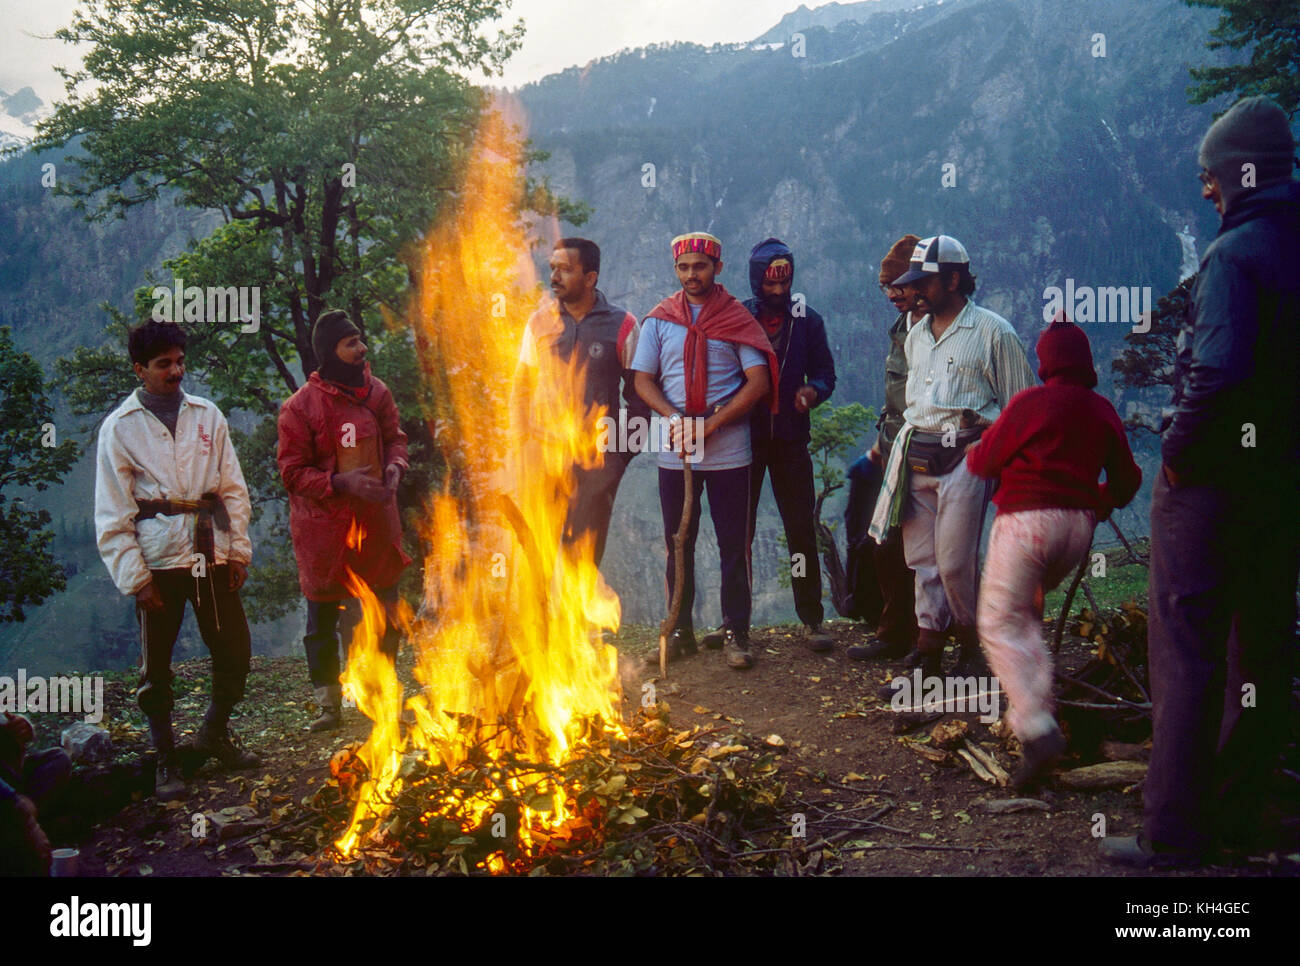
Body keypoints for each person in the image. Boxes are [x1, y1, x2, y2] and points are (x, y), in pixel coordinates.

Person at [1101, 97, 1300, 866]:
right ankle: (1242, 818)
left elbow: (1215, 374)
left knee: (1187, 652)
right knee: (1263, 650)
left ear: (1238, 172)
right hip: (1281, 486)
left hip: (1214, 485)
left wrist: (1176, 456)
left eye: (1209, 176)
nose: (1206, 190)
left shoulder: (1236, 253)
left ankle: (1175, 838)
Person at [967, 315, 1142, 787]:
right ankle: (1032, 716)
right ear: (1086, 363)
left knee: (1001, 621)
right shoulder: (1100, 409)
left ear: (1044, 363)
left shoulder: (1031, 403)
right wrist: (1097, 502)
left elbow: (984, 462)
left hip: (1026, 522)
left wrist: (976, 444)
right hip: (1077, 529)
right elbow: (1127, 481)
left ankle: (1038, 730)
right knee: (1027, 620)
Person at [95, 319, 259, 800]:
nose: (176, 372)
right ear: (139, 369)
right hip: (157, 559)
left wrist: (239, 550)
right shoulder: (120, 428)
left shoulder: (207, 416)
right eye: (164, 363)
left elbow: (233, 489)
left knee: (234, 650)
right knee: (157, 668)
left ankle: (214, 732)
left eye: (180, 362)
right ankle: (166, 757)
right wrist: (135, 577)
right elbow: (112, 511)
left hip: (210, 551)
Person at [869, 235, 1036, 694]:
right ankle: (929, 652)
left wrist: (988, 428)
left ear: (954, 279)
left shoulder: (992, 331)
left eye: (924, 281)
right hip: (918, 451)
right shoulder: (916, 334)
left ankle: (973, 646)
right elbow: (913, 403)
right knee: (921, 559)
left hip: (967, 453)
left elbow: (1024, 405)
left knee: (956, 560)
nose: (915, 291)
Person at [631, 232, 778, 670]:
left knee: (735, 543)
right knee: (679, 540)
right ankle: (680, 629)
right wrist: (676, 421)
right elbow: (643, 380)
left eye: (700, 266)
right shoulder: (660, 320)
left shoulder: (736, 319)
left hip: (730, 451)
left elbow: (758, 383)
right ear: (676, 270)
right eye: (684, 267)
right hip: (675, 451)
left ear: (717, 267)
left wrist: (711, 425)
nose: (692, 275)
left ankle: (736, 631)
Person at [277, 309, 411, 732]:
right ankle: (329, 705)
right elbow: (292, 472)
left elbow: (396, 440)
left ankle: (383, 692)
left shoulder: (377, 393)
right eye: (350, 343)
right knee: (322, 619)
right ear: (330, 353)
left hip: (377, 527)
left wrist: (395, 467)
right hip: (325, 533)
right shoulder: (300, 408)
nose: (361, 349)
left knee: (386, 610)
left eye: (360, 340)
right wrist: (339, 482)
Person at [512, 237, 646, 566]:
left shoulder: (624, 325)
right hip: (544, 456)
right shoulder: (538, 323)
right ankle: (539, 618)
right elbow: (521, 389)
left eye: (565, 270)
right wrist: (523, 445)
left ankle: (578, 617)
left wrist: (619, 457)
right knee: (536, 551)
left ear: (590, 277)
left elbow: (639, 397)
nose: (554, 277)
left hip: (597, 460)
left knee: (583, 553)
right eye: (552, 268)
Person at [735, 238, 836, 652]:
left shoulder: (807, 321)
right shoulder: (737, 317)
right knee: (737, 533)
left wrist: (813, 391)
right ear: (757, 281)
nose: (779, 292)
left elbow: (826, 373)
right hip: (742, 440)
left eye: (785, 282)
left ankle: (811, 619)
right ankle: (735, 625)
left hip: (791, 440)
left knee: (799, 529)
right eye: (770, 285)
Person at [846, 234, 922, 662]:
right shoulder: (902, 327)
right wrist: (877, 448)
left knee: (918, 547)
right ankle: (893, 630)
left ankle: (923, 635)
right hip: (892, 450)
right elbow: (896, 399)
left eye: (899, 285)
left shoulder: (933, 329)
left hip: (925, 452)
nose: (892, 294)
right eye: (886, 287)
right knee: (885, 540)